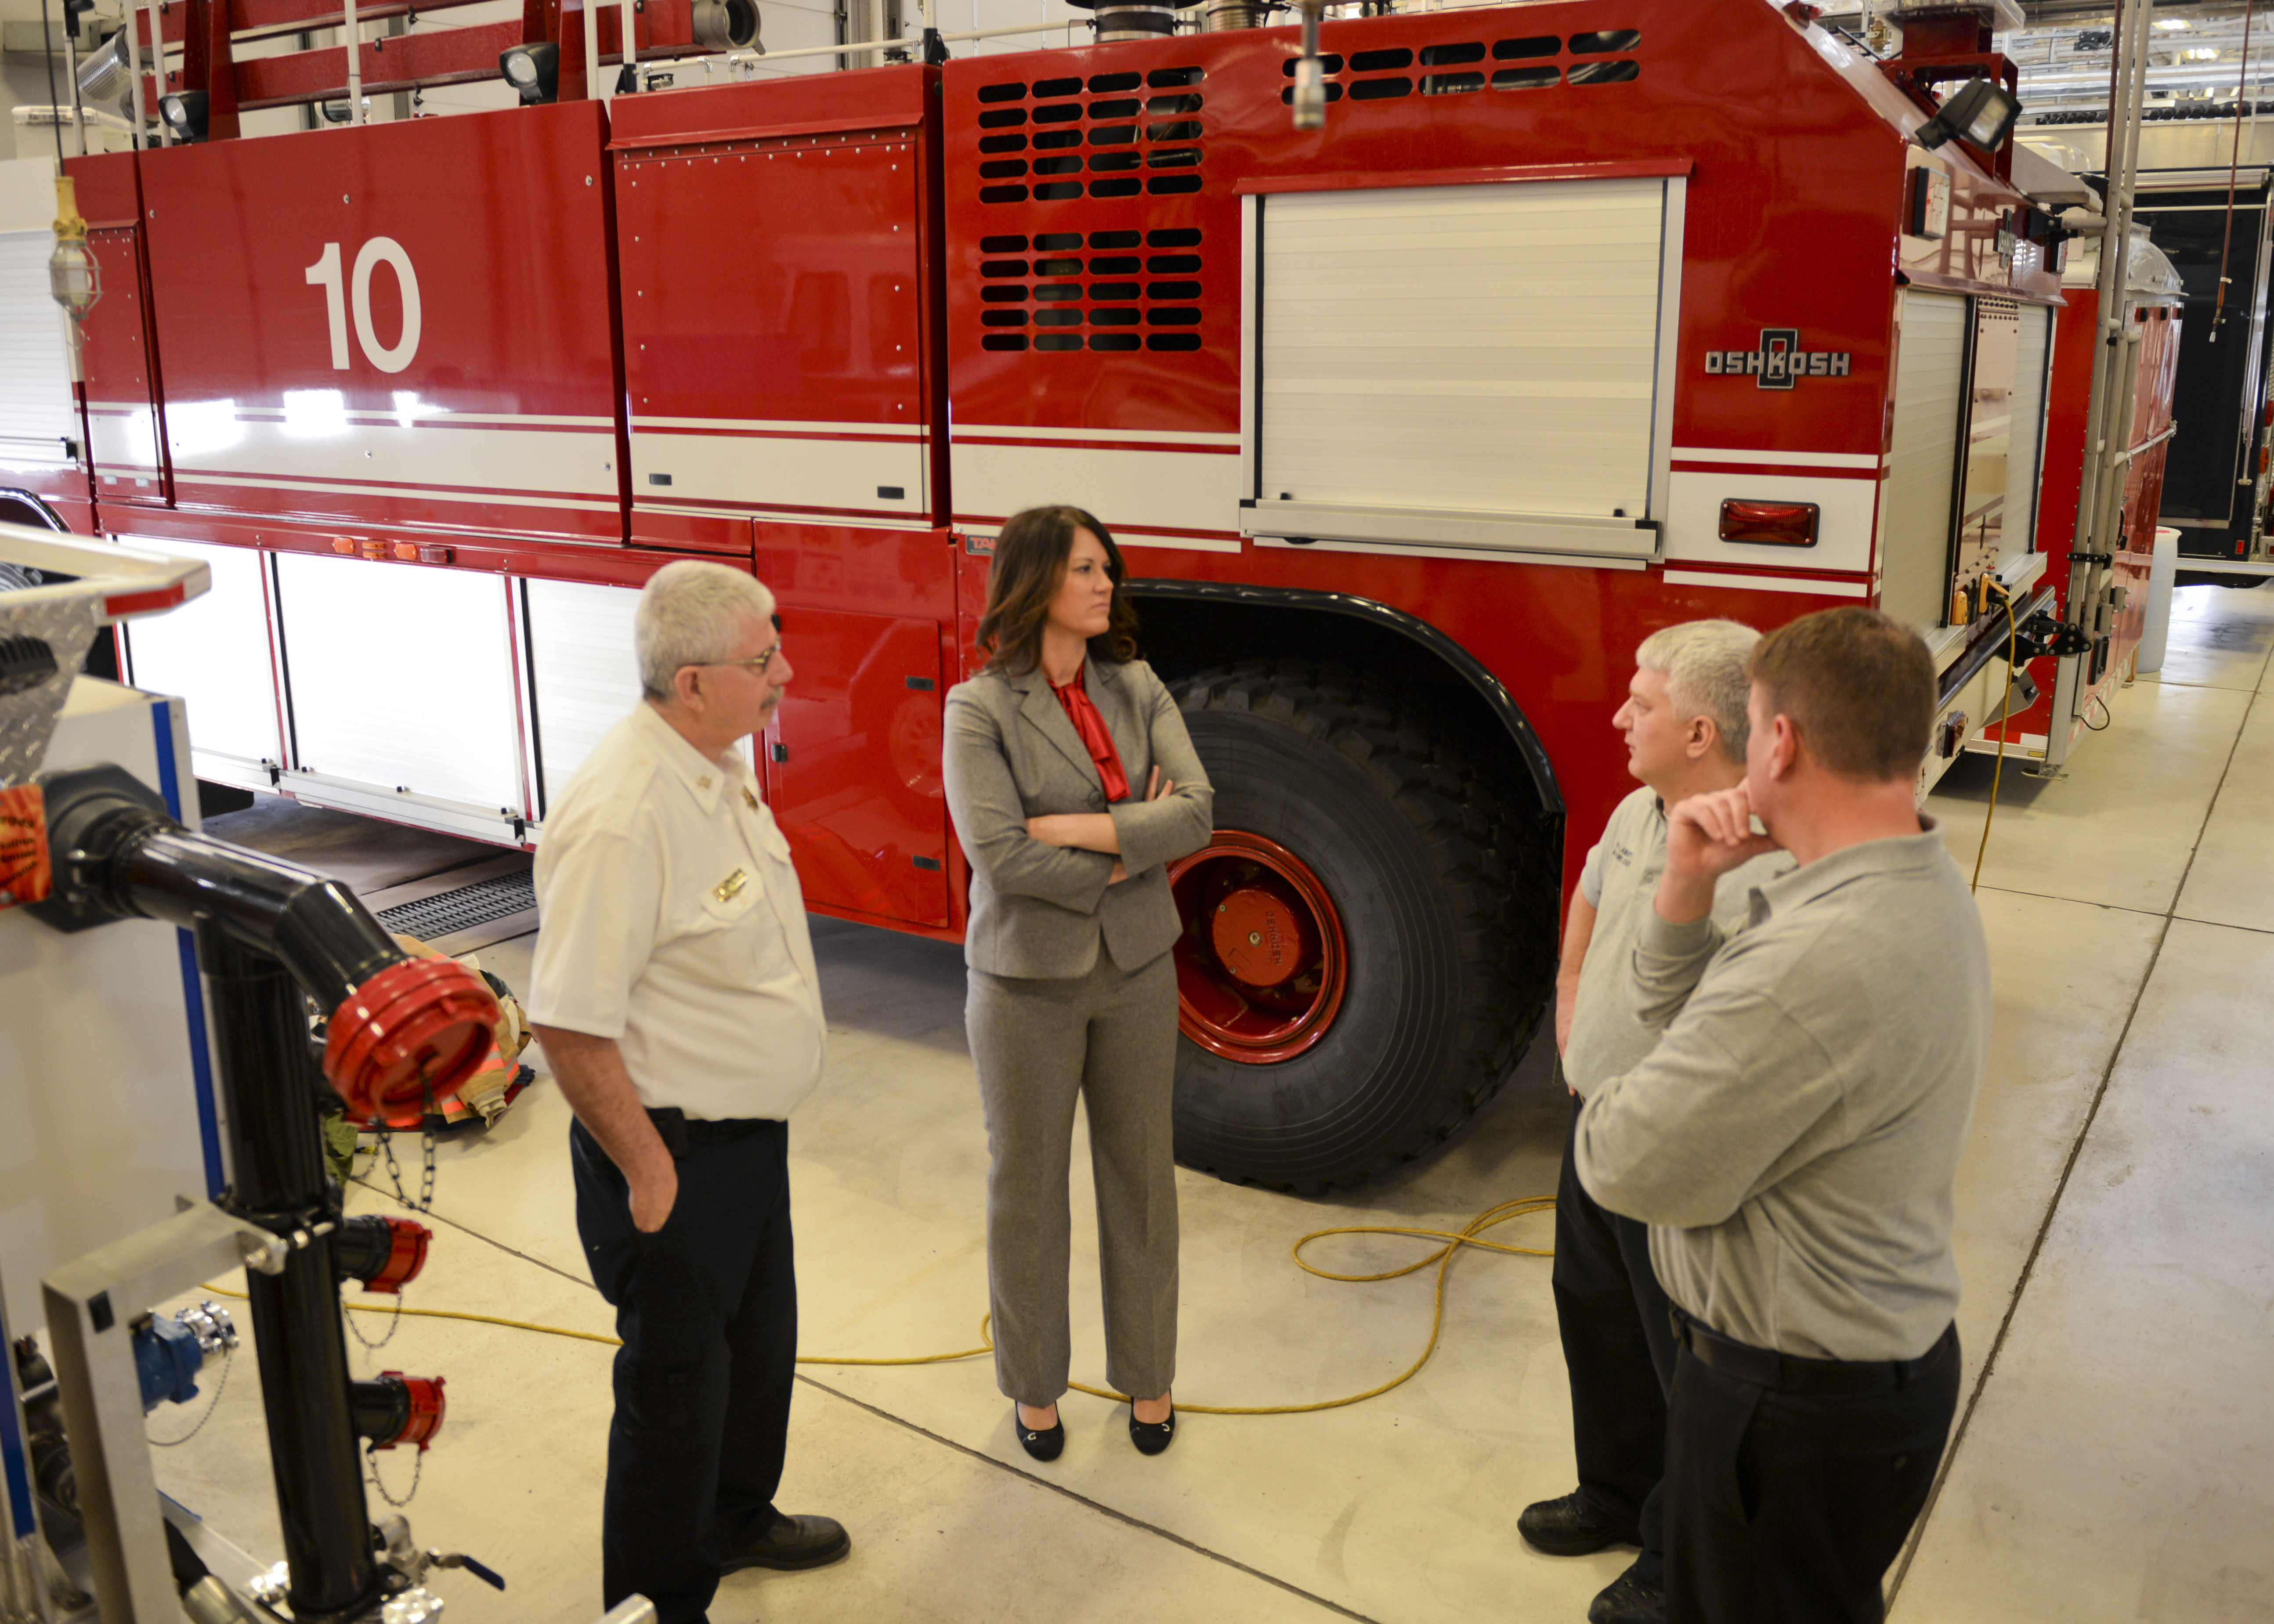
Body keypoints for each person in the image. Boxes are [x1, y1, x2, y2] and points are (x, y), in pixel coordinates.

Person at [1574, 606, 1989, 1624]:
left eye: (1753, 724)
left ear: (1781, 743)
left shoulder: (1815, 957)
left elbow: (1623, 1160)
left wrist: (1604, 1083)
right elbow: (1678, 1026)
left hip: (1793, 1403)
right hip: (1859, 1378)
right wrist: (1685, 889)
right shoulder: (1914, 877)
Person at [528, 560, 849, 1624]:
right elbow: (567, 1021)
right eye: (764, 659)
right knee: (675, 1389)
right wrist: (647, 1166)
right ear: (694, 681)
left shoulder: (713, 761)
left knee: (755, 1354)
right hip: (672, 1151)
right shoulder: (624, 813)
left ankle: (736, 1516)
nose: (785, 674)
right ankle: (660, 1602)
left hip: (745, 1142)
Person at [1521, 621, 1789, 1624]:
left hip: (1674, 1157)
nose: (1618, 717)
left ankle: (1683, 1557)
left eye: (1642, 704)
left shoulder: (1762, 861)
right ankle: (1616, 1491)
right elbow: (1591, 896)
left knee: (1691, 1364)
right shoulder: (1643, 809)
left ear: (1701, 732)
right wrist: (1569, 1001)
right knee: (1594, 1312)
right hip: (1598, 1123)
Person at [940, 504, 1214, 1462]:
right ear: (1034, 582)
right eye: (1086, 569)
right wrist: (1132, 845)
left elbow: (1198, 814)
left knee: (1141, 1180)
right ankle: (1034, 1386)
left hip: (1137, 966)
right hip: (1023, 980)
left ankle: (1148, 1374)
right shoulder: (977, 709)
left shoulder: (1137, 686)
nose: (1106, 584)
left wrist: (1081, 832)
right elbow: (1000, 857)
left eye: (1108, 569)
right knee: (1027, 1188)